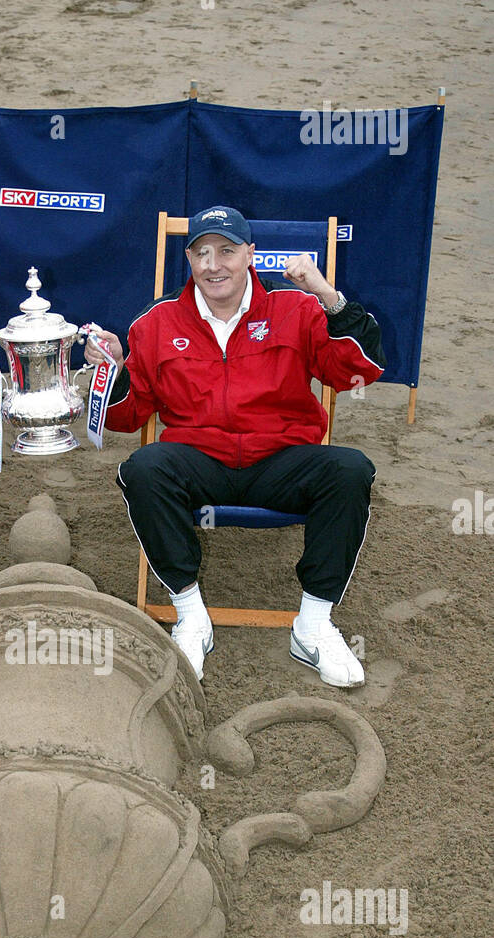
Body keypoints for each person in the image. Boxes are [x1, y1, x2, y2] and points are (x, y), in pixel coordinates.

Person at [86, 205, 385, 687]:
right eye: (201, 252)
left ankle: (313, 625)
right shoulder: (155, 323)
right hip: (200, 461)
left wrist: (328, 296)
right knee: (144, 466)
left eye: (226, 251)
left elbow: (360, 371)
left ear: (250, 254)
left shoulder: (297, 309)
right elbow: (127, 417)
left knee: (349, 470)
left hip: (281, 461)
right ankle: (190, 615)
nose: (213, 264)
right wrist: (113, 371)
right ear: (188, 259)